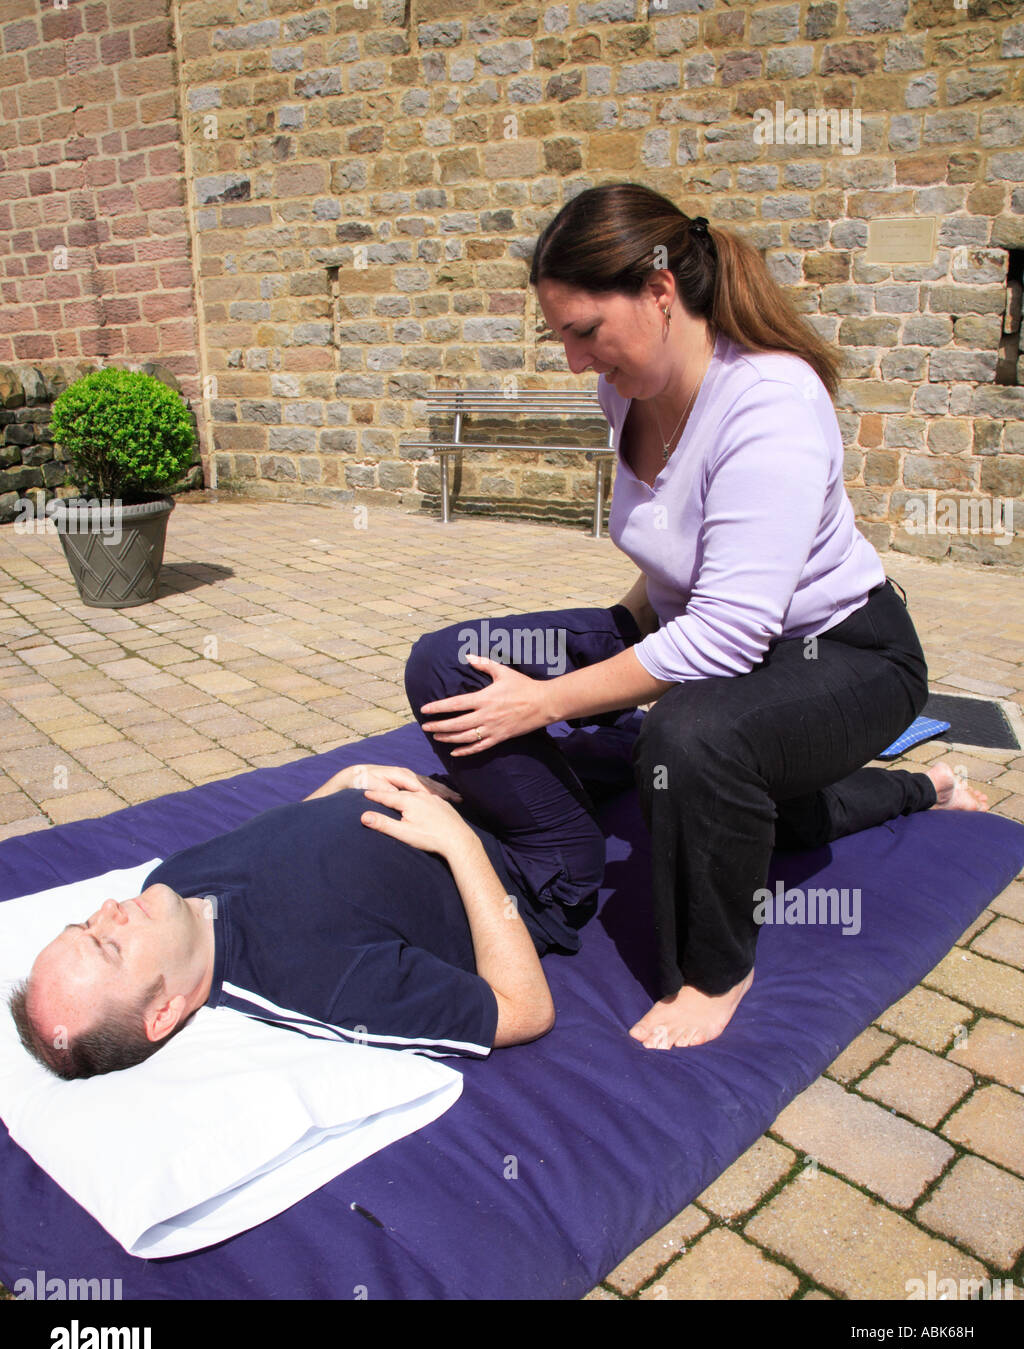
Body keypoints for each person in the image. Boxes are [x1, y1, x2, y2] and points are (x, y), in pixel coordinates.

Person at [403, 181, 990, 1053]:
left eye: (584, 332)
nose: (572, 361)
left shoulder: (771, 402)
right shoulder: (626, 392)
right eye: (558, 336)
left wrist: (549, 702)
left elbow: (729, 633)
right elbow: (676, 560)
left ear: (659, 292)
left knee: (694, 743)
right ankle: (557, 850)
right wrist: (600, 641)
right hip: (707, 636)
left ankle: (723, 967)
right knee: (451, 661)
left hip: (845, 654)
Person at [9, 756, 614, 1080]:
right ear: (163, 1011)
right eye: (110, 947)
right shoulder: (319, 984)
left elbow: (280, 844)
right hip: (536, 865)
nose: (110, 912)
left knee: (496, 704)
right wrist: (460, 845)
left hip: (455, 798)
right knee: (447, 670)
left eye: (86, 925)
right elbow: (526, 1011)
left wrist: (348, 781)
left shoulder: (169, 887)